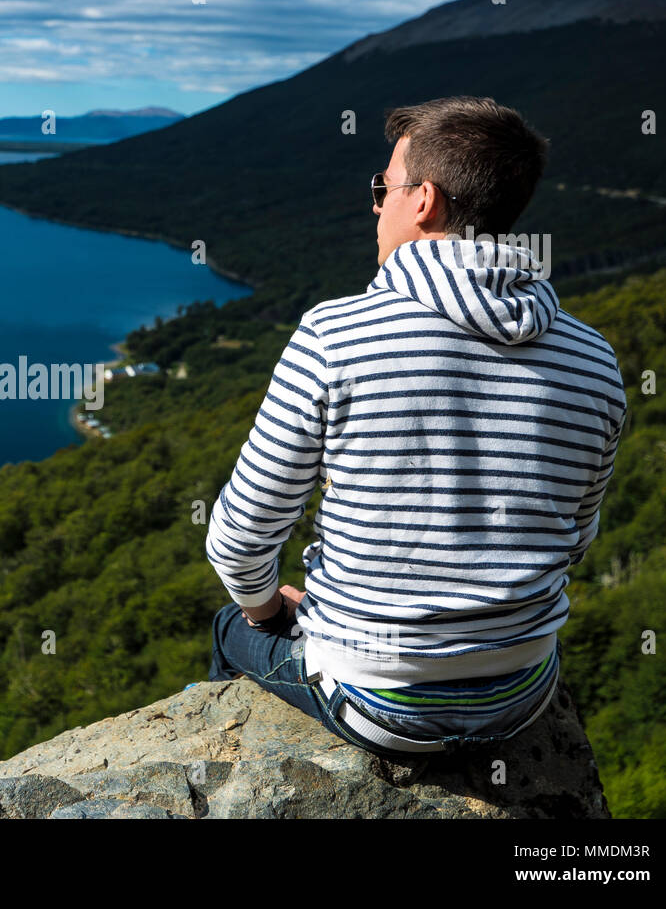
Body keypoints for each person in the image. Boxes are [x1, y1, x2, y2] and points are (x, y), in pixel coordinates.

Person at [205, 96, 627, 758]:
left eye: (384, 187)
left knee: (230, 625)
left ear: (423, 200)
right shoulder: (594, 356)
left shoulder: (334, 336)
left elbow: (239, 540)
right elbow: (574, 539)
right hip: (523, 693)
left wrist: (271, 611)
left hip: (377, 702)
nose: (377, 204)